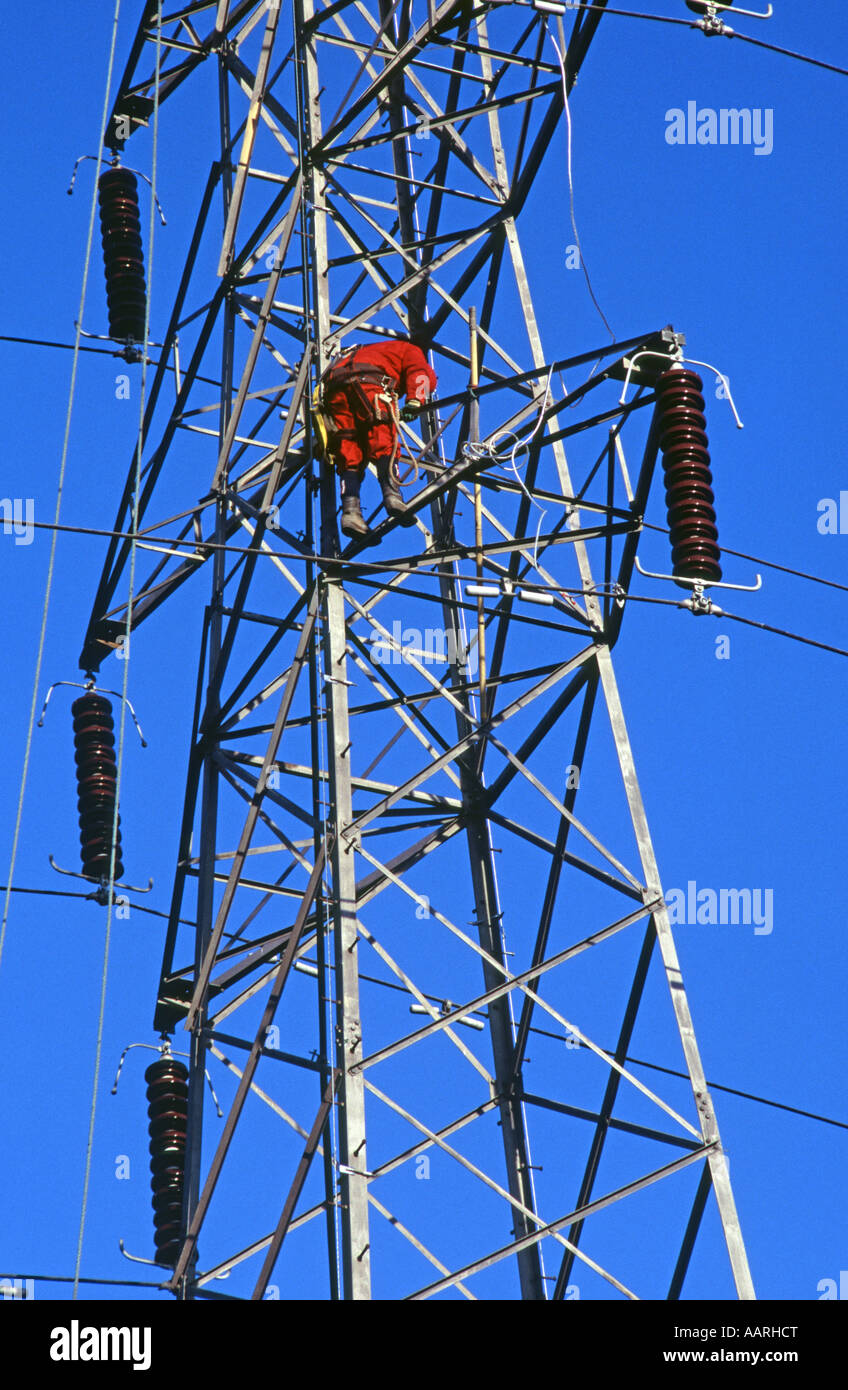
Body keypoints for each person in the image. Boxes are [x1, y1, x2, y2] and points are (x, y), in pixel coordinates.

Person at [316, 338, 437, 539]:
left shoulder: (373, 349)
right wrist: (416, 400)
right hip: (369, 381)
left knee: (349, 450)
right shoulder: (412, 351)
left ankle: (350, 513)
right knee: (383, 438)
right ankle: (393, 497)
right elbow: (419, 374)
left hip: (334, 386)